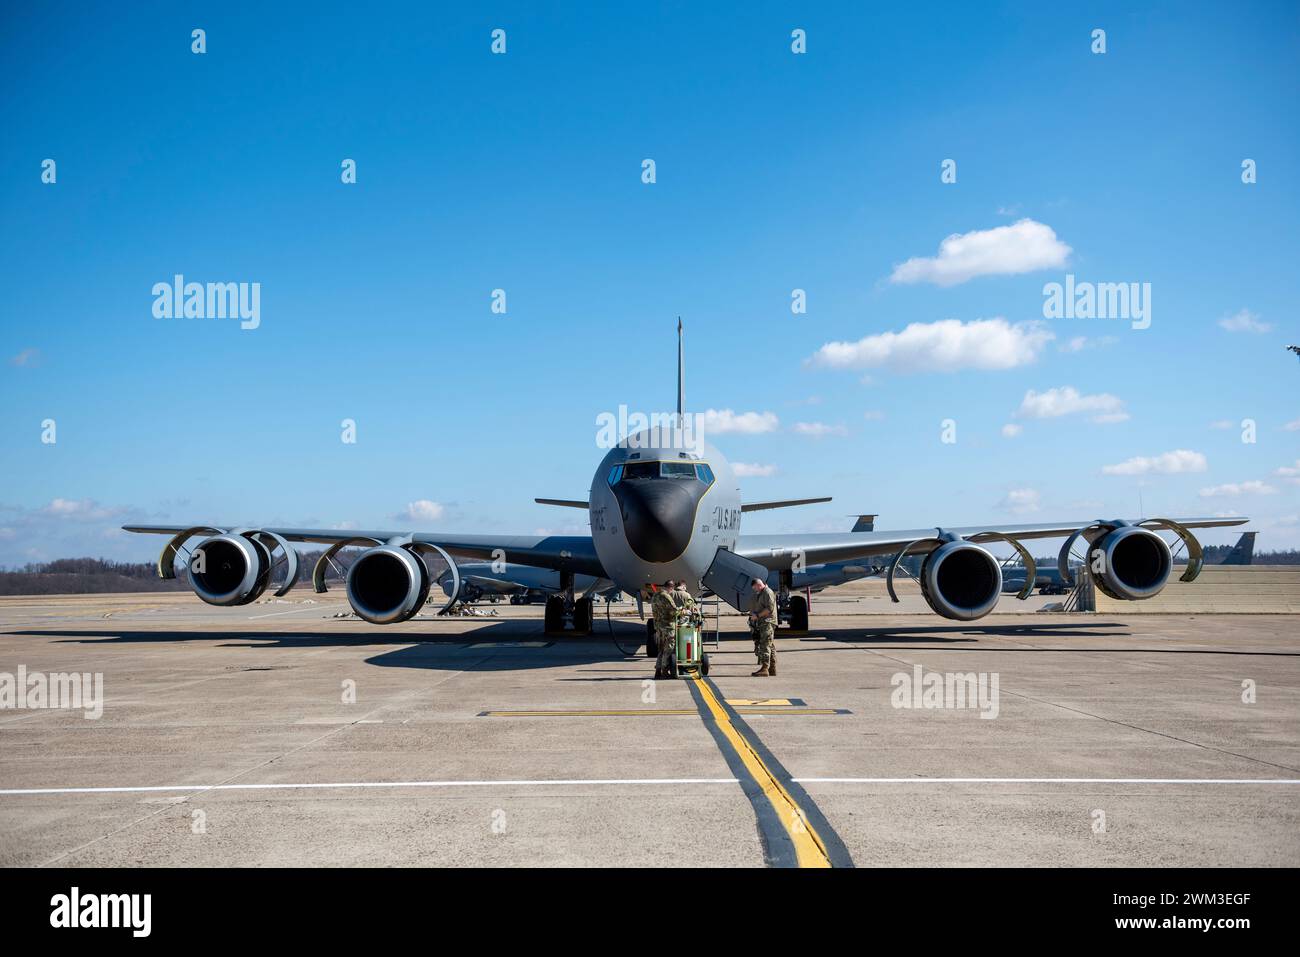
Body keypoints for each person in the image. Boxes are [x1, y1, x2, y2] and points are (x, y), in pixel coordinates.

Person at [748, 576, 778, 677]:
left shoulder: (767, 592)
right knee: (770, 645)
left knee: (765, 644)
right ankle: (772, 668)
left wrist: (757, 615)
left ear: (758, 585)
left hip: (767, 622)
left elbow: (769, 608)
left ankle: (765, 668)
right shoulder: (762, 593)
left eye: (755, 588)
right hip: (764, 622)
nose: (755, 590)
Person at [651, 580, 679, 678]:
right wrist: (684, 612)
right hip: (668, 626)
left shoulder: (655, 596)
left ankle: (658, 670)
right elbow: (674, 611)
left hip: (658, 626)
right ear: (671, 587)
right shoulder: (666, 596)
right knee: (669, 648)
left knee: (661, 648)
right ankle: (664, 670)